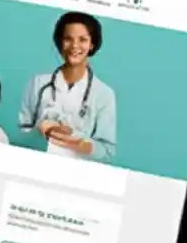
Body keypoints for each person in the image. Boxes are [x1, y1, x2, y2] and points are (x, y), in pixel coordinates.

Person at [19, 11, 117, 162]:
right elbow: (20, 133)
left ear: (92, 44)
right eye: (68, 39)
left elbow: (107, 151)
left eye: (82, 40)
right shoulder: (38, 84)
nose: (74, 46)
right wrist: (43, 128)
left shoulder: (104, 94)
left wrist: (80, 143)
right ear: (60, 42)